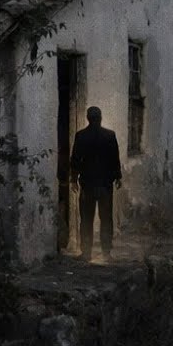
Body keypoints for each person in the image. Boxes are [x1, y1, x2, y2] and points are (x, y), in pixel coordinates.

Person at [70, 106, 122, 261]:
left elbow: (75, 160)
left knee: (86, 219)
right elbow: (115, 158)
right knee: (106, 219)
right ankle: (106, 253)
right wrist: (118, 177)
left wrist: (74, 179)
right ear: (100, 118)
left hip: (88, 185)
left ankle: (86, 253)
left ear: (87, 118)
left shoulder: (81, 136)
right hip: (105, 184)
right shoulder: (110, 135)